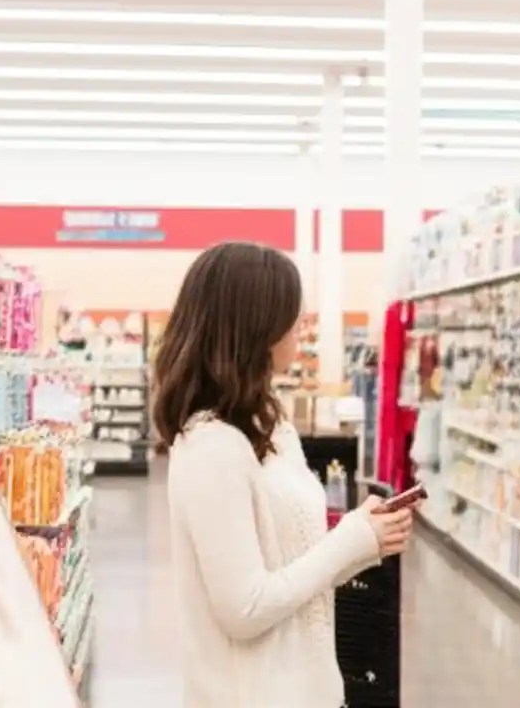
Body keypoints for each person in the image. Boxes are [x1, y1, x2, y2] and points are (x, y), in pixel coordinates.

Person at [153, 242, 415, 708]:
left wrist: (366, 538)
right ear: (255, 325)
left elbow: (295, 565)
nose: (301, 326)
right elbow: (245, 608)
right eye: (291, 314)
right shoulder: (212, 447)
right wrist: (350, 539)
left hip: (309, 690)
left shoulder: (268, 425)